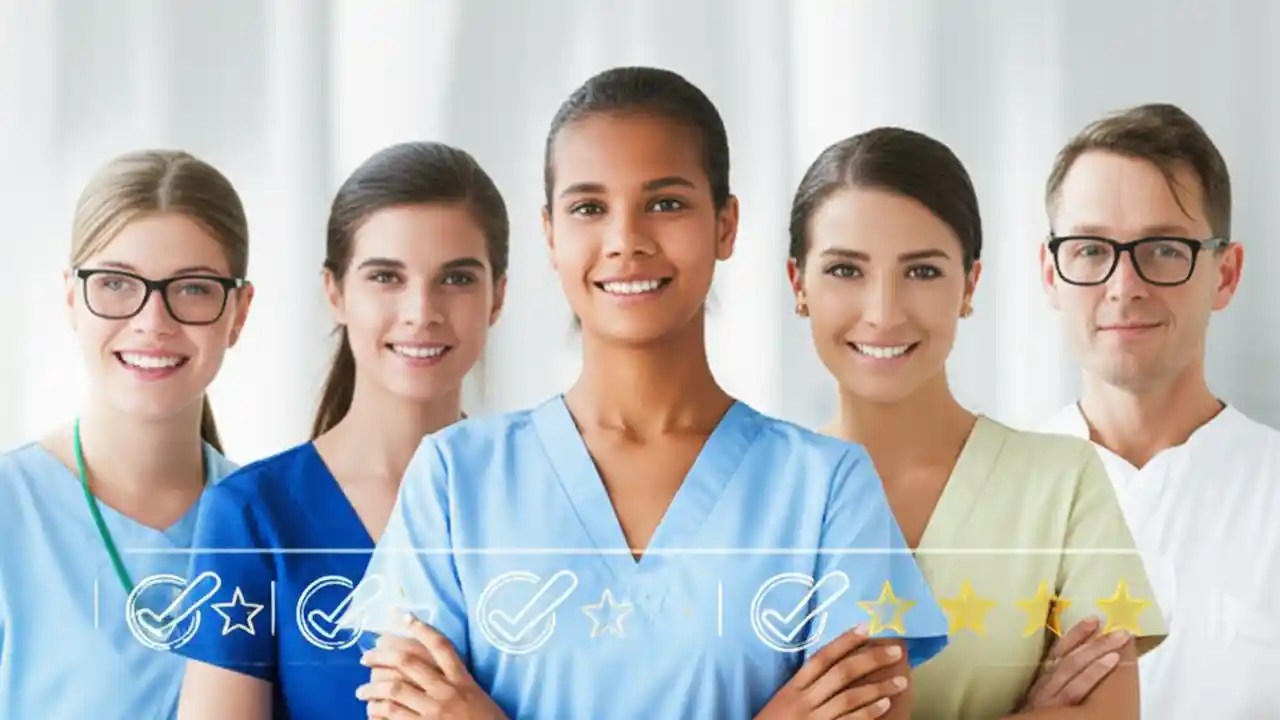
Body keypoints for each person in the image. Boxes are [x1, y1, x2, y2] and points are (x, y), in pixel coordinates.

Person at [344, 67, 949, 720]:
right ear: (549, 233)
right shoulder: (454, 480)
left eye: (665, 203)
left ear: (725, 223)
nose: (626, 240)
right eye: (588, 207)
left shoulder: (827, 488)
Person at [784, 127, 1167, 718]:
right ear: (798, 285)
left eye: (922, 272)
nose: (883, 313)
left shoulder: (1062, 484)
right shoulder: (753, 493)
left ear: (969, 285)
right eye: (844, 270)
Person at [172, 141, 509, 719]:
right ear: (335, 292)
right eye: (386, 276)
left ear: (498, 295)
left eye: (456, 278)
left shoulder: (542, 501)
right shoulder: (253, 516)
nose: (421, 310)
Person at [1037, 102, 1280, 718]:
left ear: (1225, 274)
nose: (1125, 286)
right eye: (1091, 249)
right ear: (1050, 274)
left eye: (1165, 249)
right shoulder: (983, 497)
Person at [0, 149, 253, 718]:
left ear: (238, 311)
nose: (152, 322)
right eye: (116, 283)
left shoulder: (272, 521)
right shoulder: (12, 513)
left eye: (192, 288)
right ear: (72, 297)